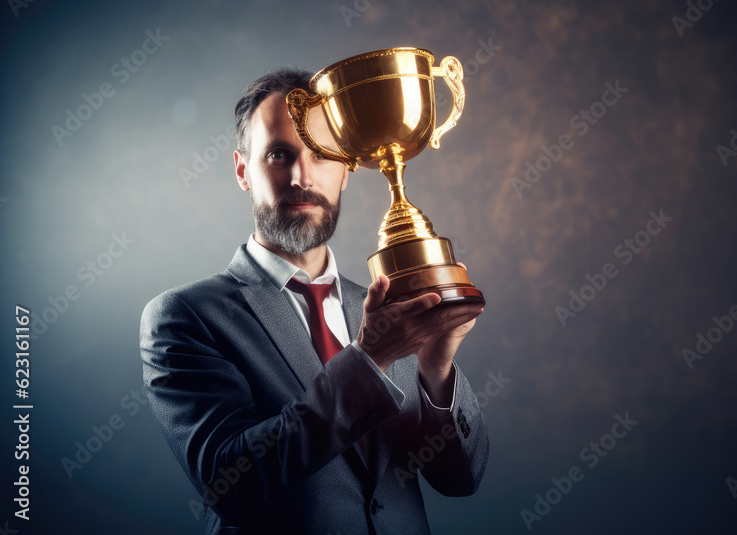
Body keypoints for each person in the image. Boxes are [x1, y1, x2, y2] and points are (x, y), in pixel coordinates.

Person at [140, 68, 488, 534]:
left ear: (346, 169)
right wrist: (371, 359)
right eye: (279, 155)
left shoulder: (386, 309)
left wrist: (436, 368)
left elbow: (461, 480)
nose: (302, 176)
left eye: (322, 155)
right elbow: (229, 486)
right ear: (243, 171)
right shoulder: (184, 317)